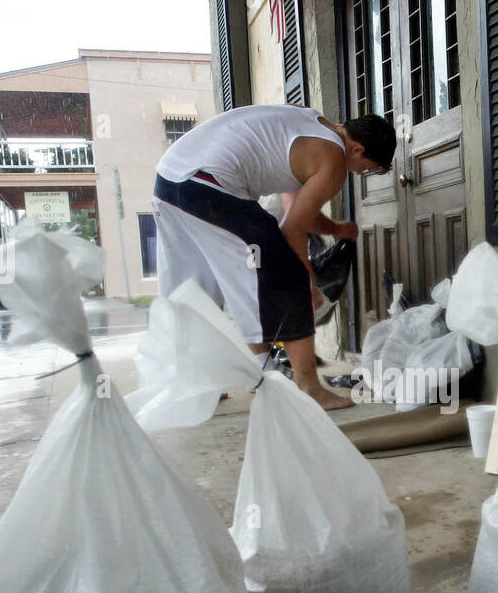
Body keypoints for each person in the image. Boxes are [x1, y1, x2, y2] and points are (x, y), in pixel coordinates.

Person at [152, 104, 397, 410]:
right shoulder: (334, 159)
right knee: (285, 274)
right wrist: (307, 284)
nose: (362, 173)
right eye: (368, 166)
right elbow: (293, 229)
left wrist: (334, 228)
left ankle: (198, 385)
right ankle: (308, 386)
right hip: (207, 184)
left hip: (169, 181)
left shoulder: (312, 124)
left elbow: (299, 211)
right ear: (358, 148)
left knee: (195, 288)